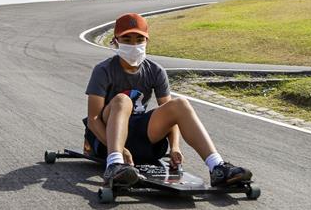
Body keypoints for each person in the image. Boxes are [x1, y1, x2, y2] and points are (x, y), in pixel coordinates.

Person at [84, 12, 253, 187]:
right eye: (127, 40)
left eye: (139, 40)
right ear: (116, 41)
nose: (134, 45)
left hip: (142, 136)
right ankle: (114, 165)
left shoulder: (155, 71)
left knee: (180, 104)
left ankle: (217, 167)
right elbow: (93, 119)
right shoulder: (103, 70)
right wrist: (120, 151)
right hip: (107, 138)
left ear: (146, 41)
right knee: (122, 100)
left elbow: (170, 115)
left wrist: (174, 147)